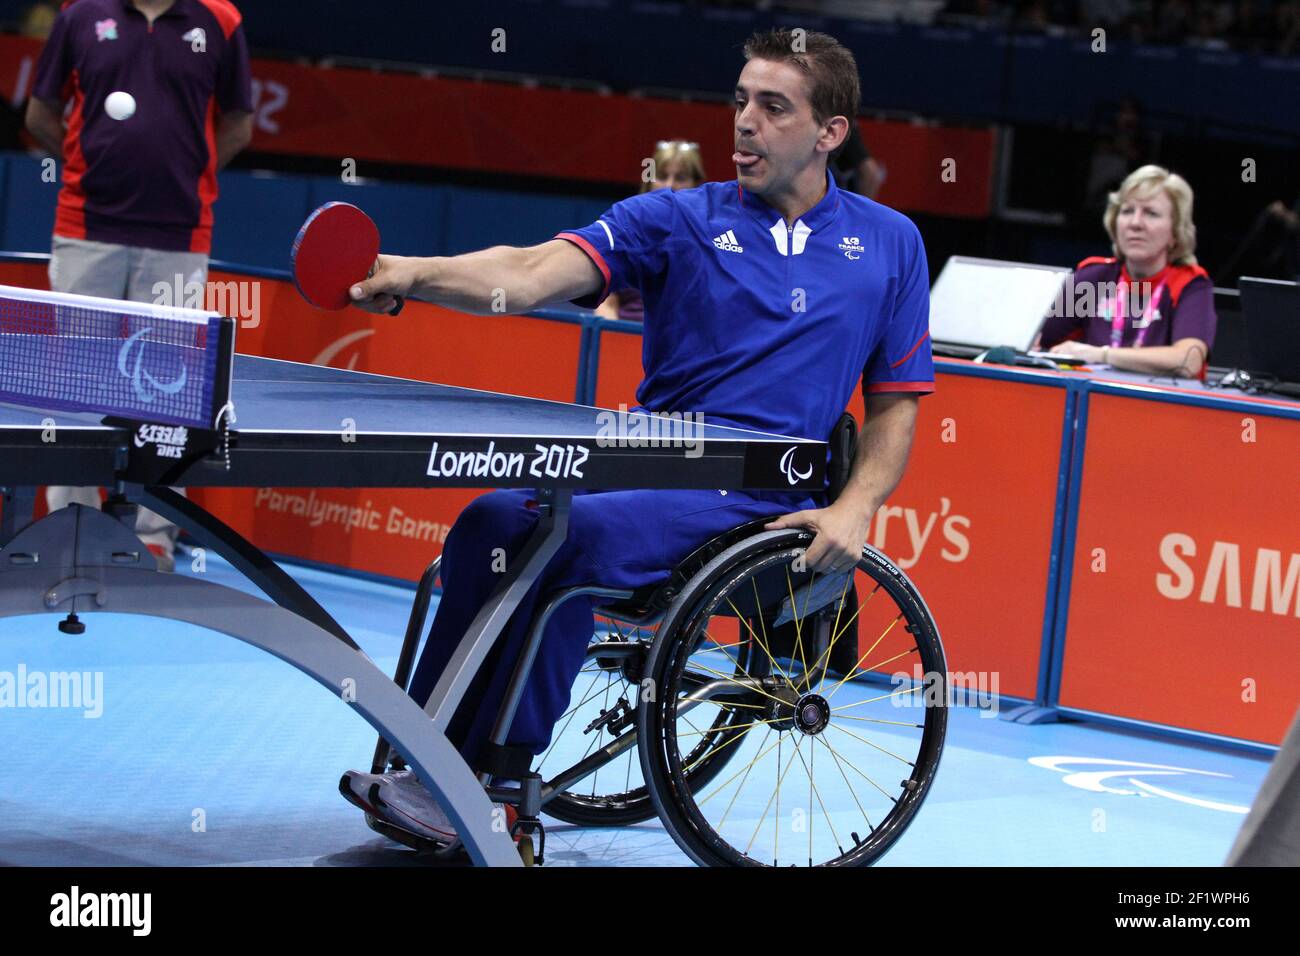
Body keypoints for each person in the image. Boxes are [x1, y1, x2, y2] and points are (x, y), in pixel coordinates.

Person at [339, 28, 934, 846]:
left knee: (563, 537)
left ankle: (492, 782)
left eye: (772, 106)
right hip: (645, 464)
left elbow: (897, 401)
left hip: (758, 498)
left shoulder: (891, 243)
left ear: (830, 132)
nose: (745, 124)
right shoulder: (674, 218)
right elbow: (532, 271)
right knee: (490, 520)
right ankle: (433, 762)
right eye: (739, 102)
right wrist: (415, 273)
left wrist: (856, 508)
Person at [25, 0, 254, 571]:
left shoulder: (220, 20)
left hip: (179, 234)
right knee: (71, 385)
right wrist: (84, 166)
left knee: (169, 390)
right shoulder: (80, 16)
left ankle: (155, 535)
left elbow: (238, 122)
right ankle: (70, 524)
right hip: (88, 228)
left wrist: (191, 178)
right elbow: (39, 113)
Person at [1040, 165, 1216, 379]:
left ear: (1175, 233)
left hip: (1159, 407)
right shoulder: (1091, 279)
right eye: (1127, 211)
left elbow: (1188, 361)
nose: (1135, 223)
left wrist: (1101, 354)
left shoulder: (1190, 284)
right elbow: (1037, 341)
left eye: (1151, 213)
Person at [594, 139, 706, 323]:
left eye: (680, 178)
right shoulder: (625, 229)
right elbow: (607, 304)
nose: (670, 185)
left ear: (696, 183)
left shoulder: (708, 238)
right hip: (624, 339)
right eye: (662, 176)